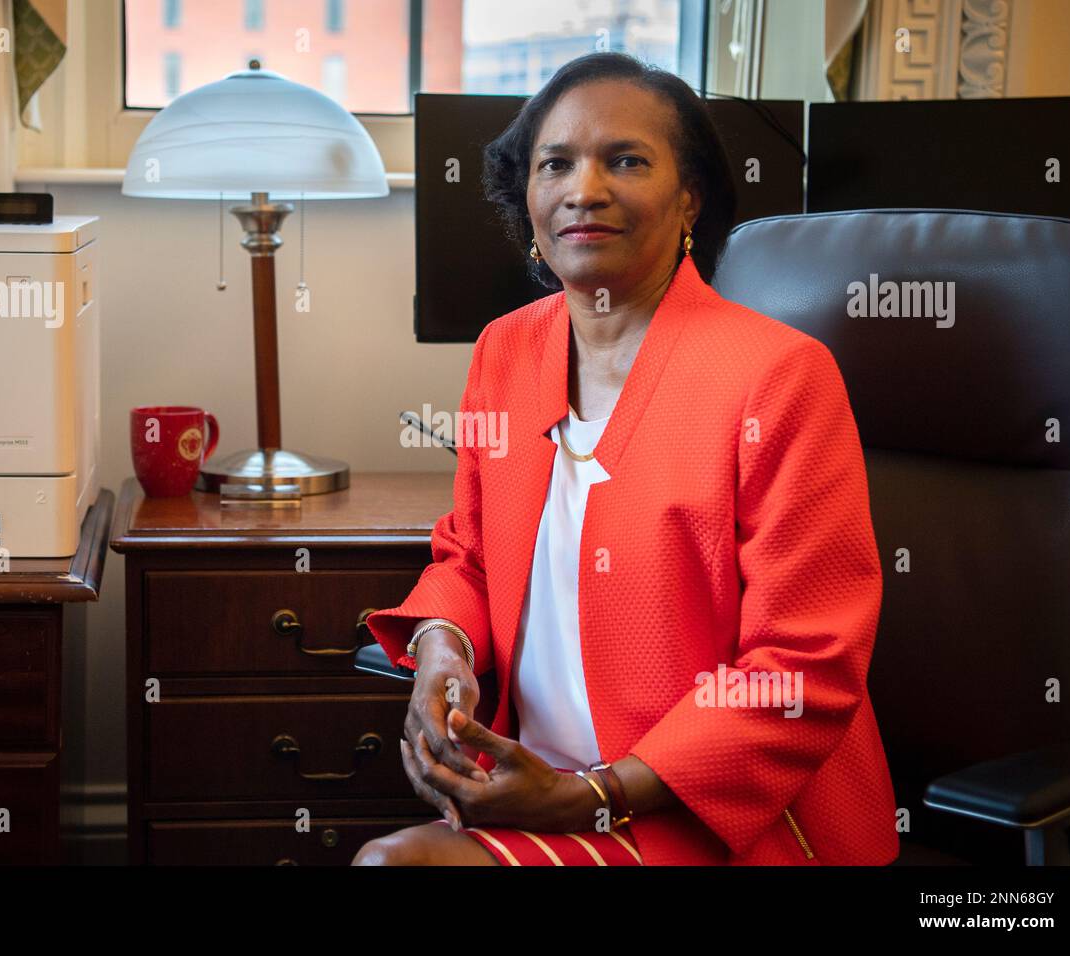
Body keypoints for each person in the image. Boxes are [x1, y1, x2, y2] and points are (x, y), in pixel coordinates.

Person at [355, 51, 899, 866]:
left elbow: (801, 666)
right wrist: (444, 650)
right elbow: (467, 553)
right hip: (534, 783)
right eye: (556, 164)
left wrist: (596, 793)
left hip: (715, 809)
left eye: (627, 161)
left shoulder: (777, 377)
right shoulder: (505, 352)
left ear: (689, 199)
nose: (585, 189)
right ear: (529, 200)